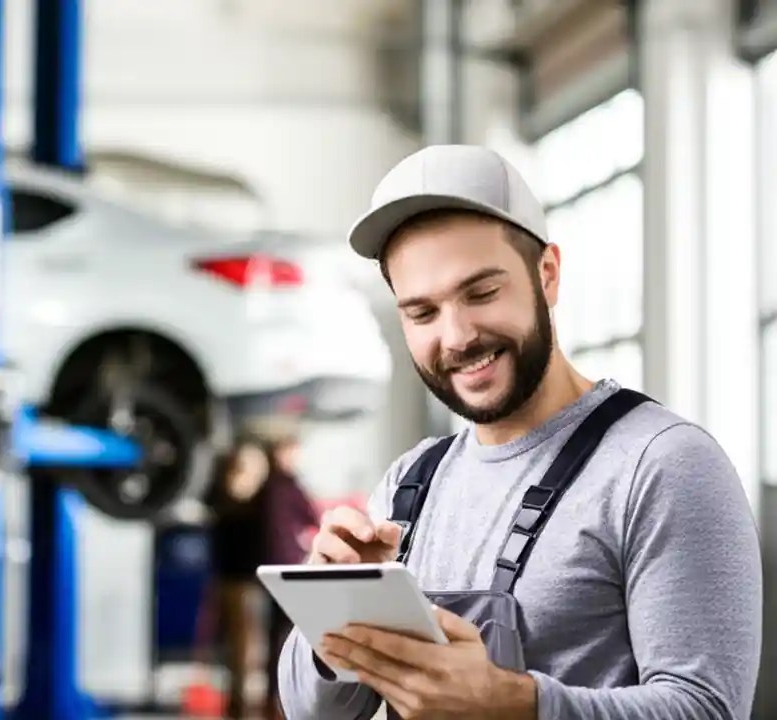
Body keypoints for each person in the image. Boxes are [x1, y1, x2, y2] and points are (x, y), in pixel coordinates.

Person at [278, 144, 763, 719]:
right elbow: (318, 712)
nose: (456, 337)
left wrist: (514, 704)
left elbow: (707, 709)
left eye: (481, 293)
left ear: (547, 274)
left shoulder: (661, 464)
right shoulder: (412, 483)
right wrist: (332, 611)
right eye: (422, 313)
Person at [201, 440, 271, 718]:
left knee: (247, 646)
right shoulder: (234, 498)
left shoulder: (254, 499)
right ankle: (240, 702)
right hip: (237, 581)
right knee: (243, 647)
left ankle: (242, 701)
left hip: (244, 580)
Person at [257, 431, 320, 718]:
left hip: (288, 568)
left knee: (285, 639)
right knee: (278, 640)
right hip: (277, 571)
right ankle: (275, 702)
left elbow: (311, 516)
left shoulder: (282, 486)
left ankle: (280, 701)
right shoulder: (273, 486)